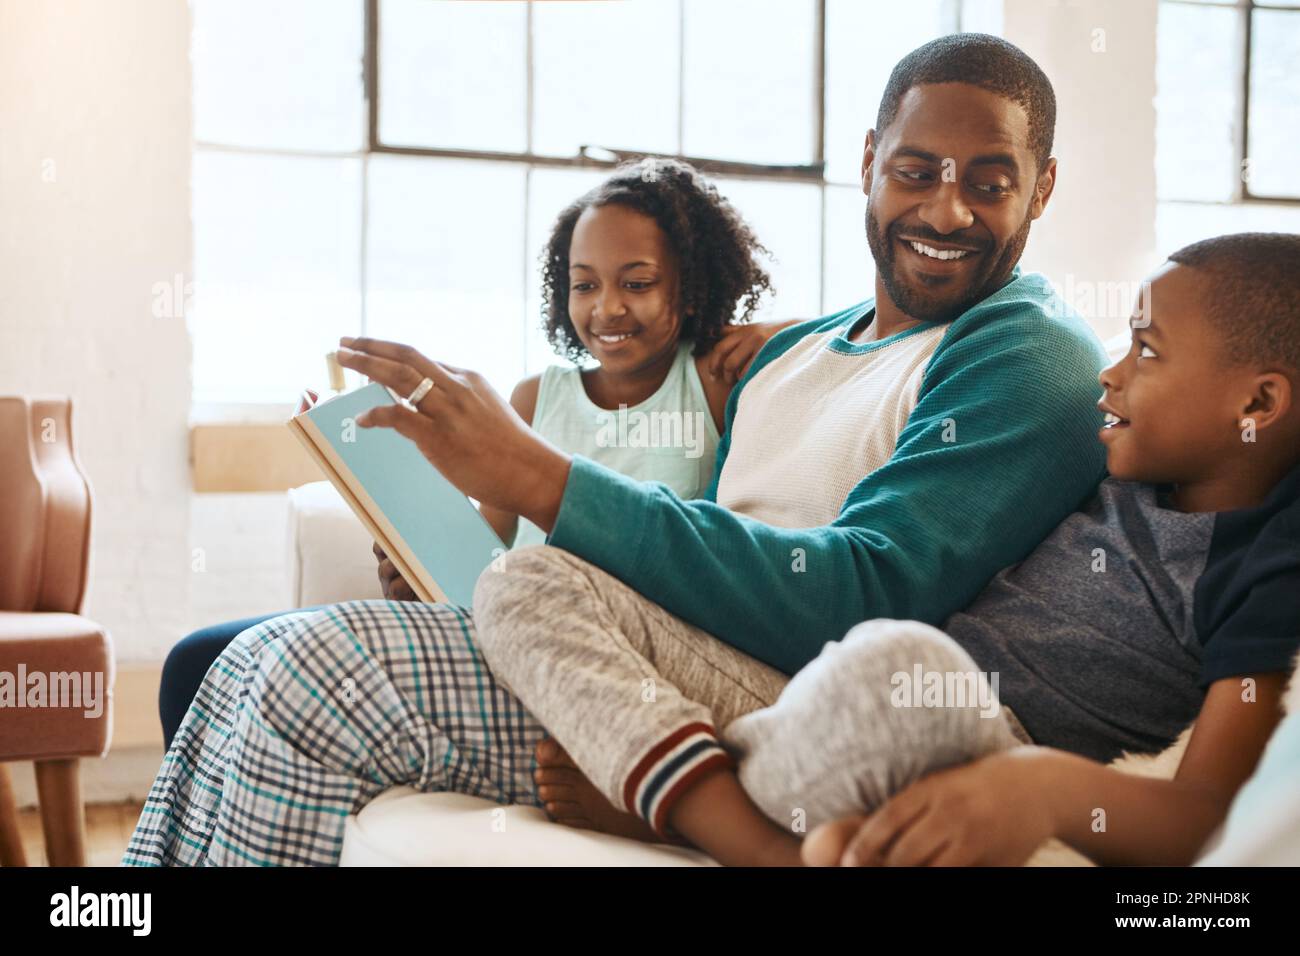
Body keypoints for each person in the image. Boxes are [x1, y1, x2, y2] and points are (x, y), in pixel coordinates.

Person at [125, 34, 1110, 867]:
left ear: (1045, 186)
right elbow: (714, 536)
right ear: (866, 161)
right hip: (653, 646)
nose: (946, 213)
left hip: (791, 689)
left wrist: (535, 474)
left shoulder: (1026, 348)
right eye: (914, 171)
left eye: (990, 183)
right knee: (243, 659)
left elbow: (865, 589)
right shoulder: (792, 353)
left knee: (313, 672)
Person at [154, 158, 792, 749]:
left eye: (638, 282)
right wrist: (410, 566)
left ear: (693, 286)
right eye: (584, 284)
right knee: (196, 661)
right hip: (486, 623)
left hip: (588, 653)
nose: (607, 308)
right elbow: (478, 558)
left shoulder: (710, 379)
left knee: (268, 668)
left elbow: (870, 334)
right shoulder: (536, 397)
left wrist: (778, 329)